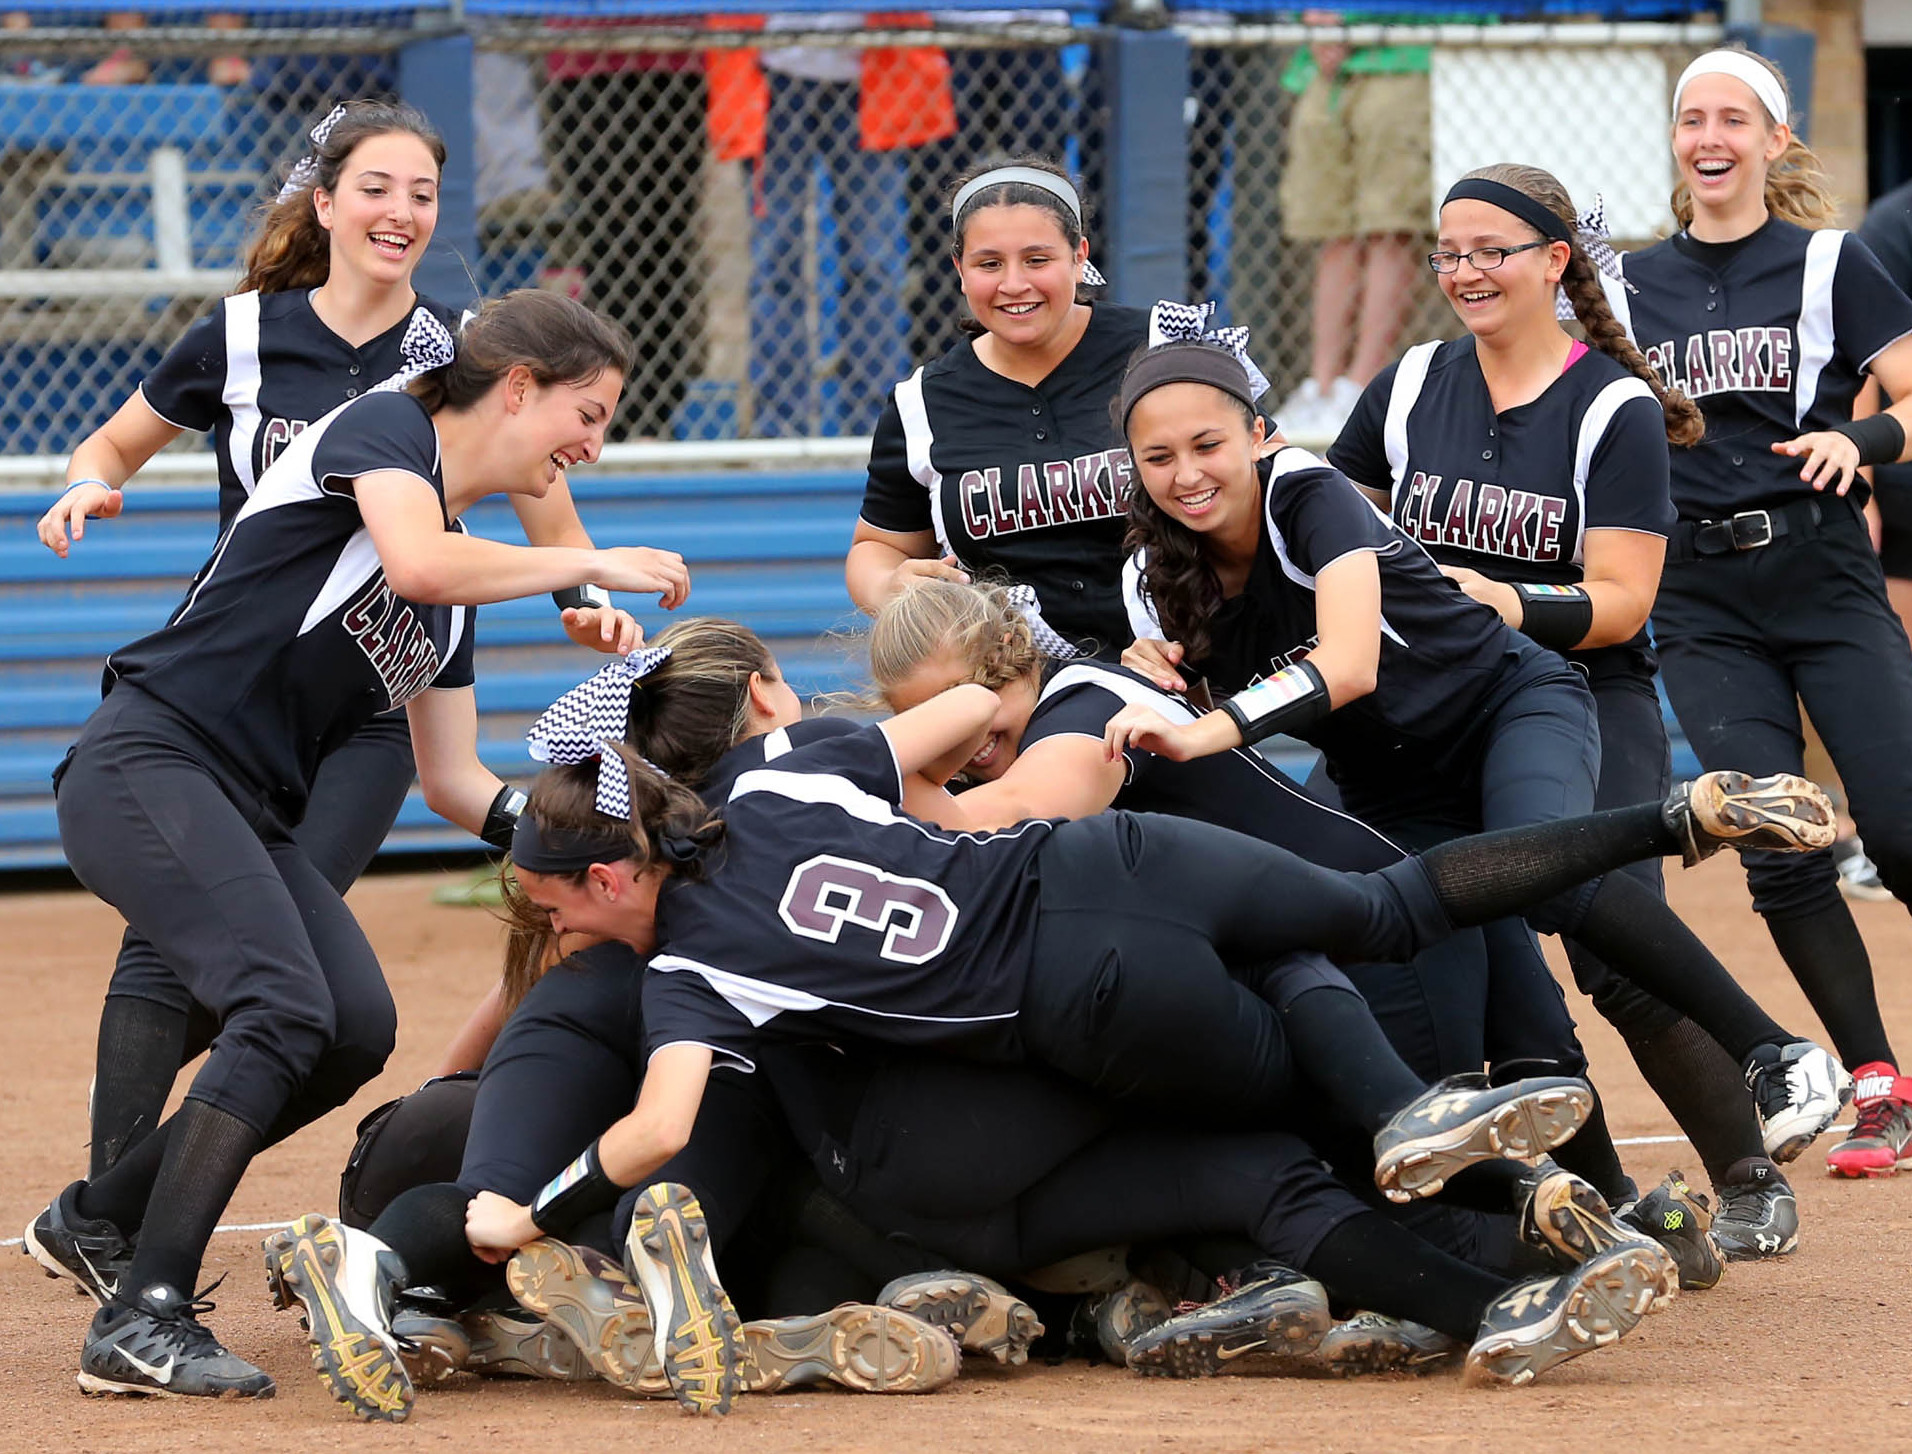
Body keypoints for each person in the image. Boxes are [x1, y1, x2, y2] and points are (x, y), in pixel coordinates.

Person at [461, 622, 1842, 1401]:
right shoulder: (784, 774)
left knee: (1278, 1152)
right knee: (1391, 906)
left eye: (559, 901)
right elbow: (959, 701)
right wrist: (940, 808)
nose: (558, 924)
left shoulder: (696, 970)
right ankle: (1680, 811)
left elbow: (654, 1131)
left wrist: (536, 1200)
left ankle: (1500, 1279)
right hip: (1104, 863)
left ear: (606, 868)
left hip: (1081, 995)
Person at [20, 289, 689, 1401]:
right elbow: (417, 561)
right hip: (149, 758)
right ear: (516, 386)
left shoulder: (457, 578)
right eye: (589, 409)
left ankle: (97, 1215)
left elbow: (452, 779)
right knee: (283, 1003)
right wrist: (594, 562)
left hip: (236, 800)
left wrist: (600, 839)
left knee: (351, 1027)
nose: (591, 443)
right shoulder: (385, 428)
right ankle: (143, 1311)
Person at [31, 99, 676, 1191]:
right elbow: (116, 439)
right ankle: (115, 1198)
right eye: (376, 187)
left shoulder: (456, 351)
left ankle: (127, 1196)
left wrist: (581, 591)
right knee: (186, 940)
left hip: (377, 690)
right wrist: (90, 480)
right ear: (323, 202)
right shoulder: (241, 331)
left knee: (293, 942)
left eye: (423, 193)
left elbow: (540, 495)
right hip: (256, 661)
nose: (401, 211)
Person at [869, 575, 1826, 1283]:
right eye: (927, 723)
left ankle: (1551, 1247)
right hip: (1407, 911)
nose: (961, 740)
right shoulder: (1074, 698)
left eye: (966, 705)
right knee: (1497, 1098)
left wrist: (874, 768)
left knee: (1373, 1214)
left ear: (1009, 669)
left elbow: (1009, 820)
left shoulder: (1084, 718)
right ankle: (1627, 1216)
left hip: (1379, 950)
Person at [1108, 313, 1850, 1203]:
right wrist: (1155, 678)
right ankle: (1609, 1206)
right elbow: (1185, 707)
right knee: (1446, 965)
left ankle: (1776, 1051)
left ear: (1258, 435)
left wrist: (1209, 722)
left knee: (1540, 870)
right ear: (1135, 468)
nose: (1187, 475)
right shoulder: (1148, 576)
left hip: (1503, 705)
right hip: (1390, 781)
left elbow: (1348, 665)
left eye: (1208, 444)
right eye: (1159, 459)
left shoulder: (1302, 491)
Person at [1323, 161, 1796, 1258]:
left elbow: (1624, 604)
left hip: (1584, 687)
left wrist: (1500, 600)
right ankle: (1586, 1195)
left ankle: (1746, 1169)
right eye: (1449, 251)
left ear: (1554, 261)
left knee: (1601, 934)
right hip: (1431, 703)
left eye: (1492, 249)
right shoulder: (1406, 384)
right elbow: (1329, 521)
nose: (1466, 270)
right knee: (1379, 903)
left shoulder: (1611, 405)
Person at [1608, 46, 1912, 1178]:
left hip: (1820, 568)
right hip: (1696, 592)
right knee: (1779, 839)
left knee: (1900, 822)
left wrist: (1860, 437)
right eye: (1693, 118)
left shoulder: (1834, 263)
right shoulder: (1630, 285)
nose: (1711, 137)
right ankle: (1879, 1078)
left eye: (1734, 117)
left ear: (1773, 141)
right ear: (1677, 140)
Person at [846, 156, 1147, 654]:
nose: (1013, 284)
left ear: (1079, 256)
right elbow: (877, 547)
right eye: (989, 264)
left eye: (1037, 260)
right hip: (1005, 671)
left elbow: (1265, 467)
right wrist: (889, 586)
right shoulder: (922, 401)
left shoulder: (1162, 347)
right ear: (959, 269)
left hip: (1175, 656)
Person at [1270, 26, 1431, 439]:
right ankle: (1322, 387)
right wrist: (1321, 23)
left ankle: (1362, 386)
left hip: (1403, 55)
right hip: (1324, 68)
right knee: (1333, 232)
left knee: (1389, 226)